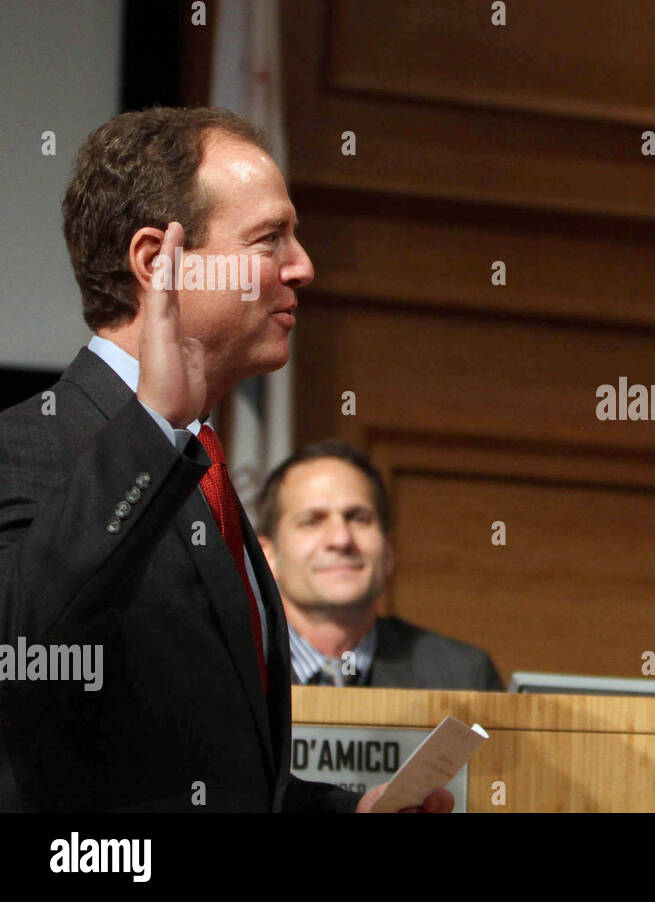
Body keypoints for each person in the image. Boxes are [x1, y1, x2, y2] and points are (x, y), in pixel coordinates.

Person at [0, 107, 450, 813]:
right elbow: (18, 661)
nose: (304, 267)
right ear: (158, 263)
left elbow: (218, 774)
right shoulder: (24, 448)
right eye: (271, 239)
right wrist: (150, 424)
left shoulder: (198, 462)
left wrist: (348, 811)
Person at [254, 441, 503, 690]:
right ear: (268, 555)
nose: (341, 539)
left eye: (358, 518)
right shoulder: (223, 671)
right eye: (312, 521)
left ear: (388, 550)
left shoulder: (463, 677)